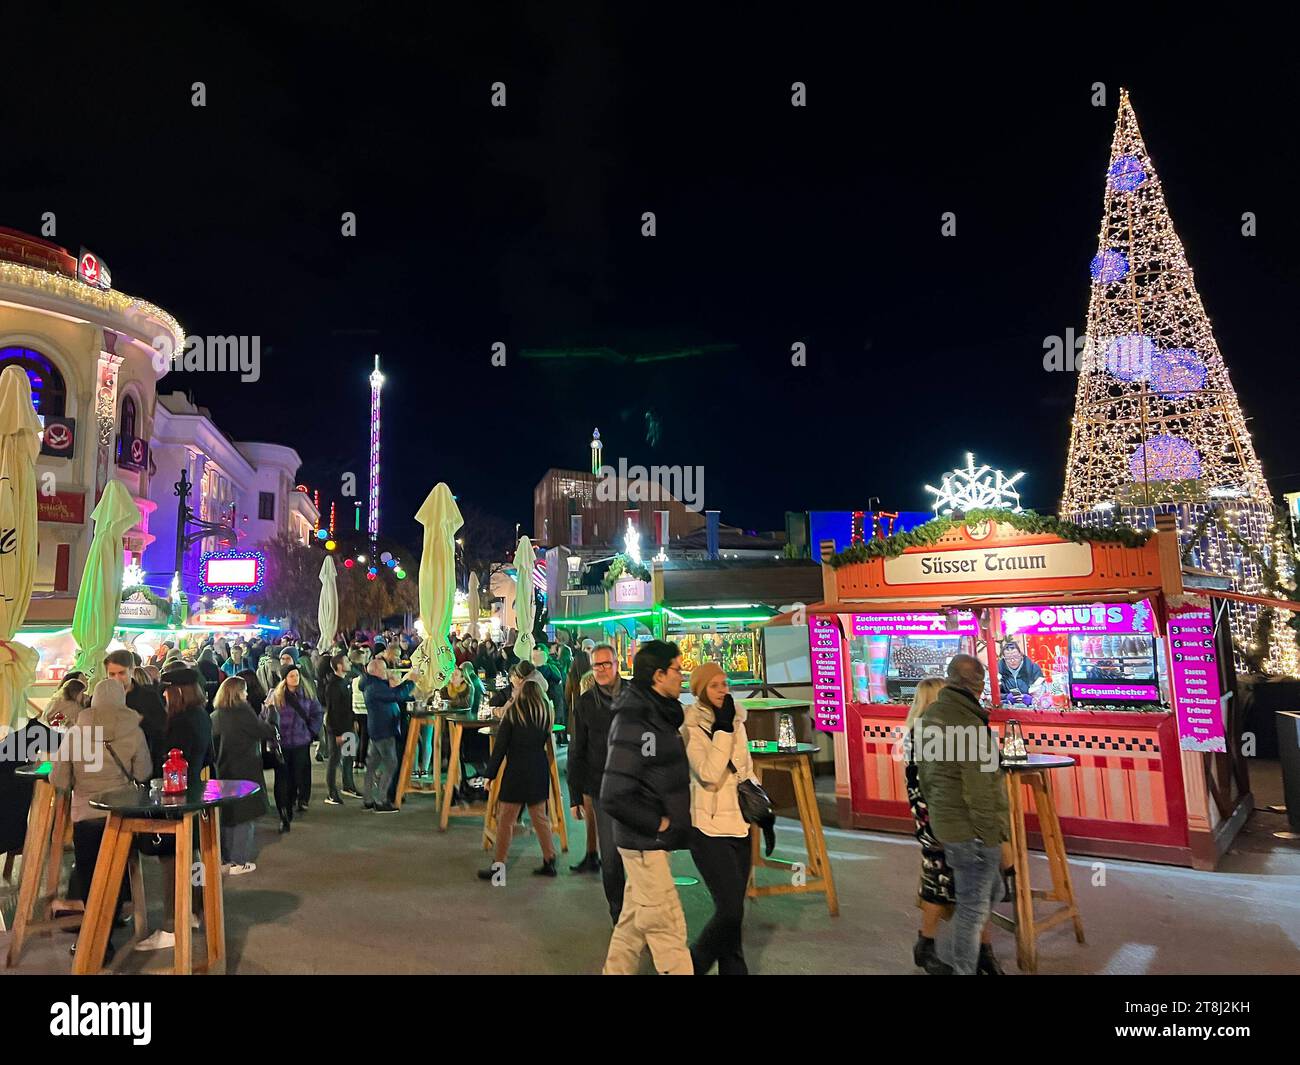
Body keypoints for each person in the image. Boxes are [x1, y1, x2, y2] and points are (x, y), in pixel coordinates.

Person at [600, 640, 693, 975]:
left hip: (648, 842)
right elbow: (613, 793)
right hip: (644, 842)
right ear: (658, 676)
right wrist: (658, 823)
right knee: (667, 926)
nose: (682, 676)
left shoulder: (655, 713)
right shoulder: (636, 718)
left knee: (632, 923)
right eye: (678, 670)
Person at [915, 654, 1009, 976]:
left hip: (948, 826)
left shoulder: (929, 719)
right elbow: (981, 790)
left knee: (990, 891)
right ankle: (965, 969)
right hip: (972, 831)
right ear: (978, 683)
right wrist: (993, 836)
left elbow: (925, 778)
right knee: (972, 907)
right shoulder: (970, 725)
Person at [50, 680, 151, 966]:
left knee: (90, 874)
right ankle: (112, 922)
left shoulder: (74, 733)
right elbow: (143, 772)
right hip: (120, 815)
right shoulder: (134, 730)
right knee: (117, 873)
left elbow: (59, 779)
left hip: (85, 814)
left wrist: (78, 784)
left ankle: (95, 938)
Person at [681, 662, 756, 975]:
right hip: (708, 829)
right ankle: (694, 963)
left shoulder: (737, 720)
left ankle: (734, 970)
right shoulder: (691, 726)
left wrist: (759, 807)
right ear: (699, 690)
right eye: (714, 685)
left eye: (725, 684)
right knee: (729, 910)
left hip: (740, 824)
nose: (723, 690)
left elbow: (746, 769)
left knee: (735, 914)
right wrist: (723, 730)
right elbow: (710, 774)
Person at [136, 664, 214, 952]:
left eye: (167, 691)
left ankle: (171, 924)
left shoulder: (180, 721)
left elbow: (169, 763)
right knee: (192, 858)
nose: (165, 696)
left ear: (177, 691)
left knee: (171, 861)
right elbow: (208, 757)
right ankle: (195, 911)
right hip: (195, 793)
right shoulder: (202, 716)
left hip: (175, 797)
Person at [477, 665, 557, 880]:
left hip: (517, 771)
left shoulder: (513, 714)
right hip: (538, 768)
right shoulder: (545, 714)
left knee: (506, 820)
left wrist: (489, 775)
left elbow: (500, 748)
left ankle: (499, 868)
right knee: (540, 818)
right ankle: (550, 859)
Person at [568, 645, 627, 913]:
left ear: (617, 663)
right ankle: (618, 913)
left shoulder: (634, 696)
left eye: (606, 664)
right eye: (597, 665)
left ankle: (639, 914)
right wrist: (574, 796)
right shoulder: (586, 703)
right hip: (602, 788)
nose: (602, 670)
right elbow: (576, 750)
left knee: (638, 857)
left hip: (635, 787)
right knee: (612, 858)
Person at [211, 676, 277, 874]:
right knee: (244, 817)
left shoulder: (215, 715)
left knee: (227, 816)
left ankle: (225, 859)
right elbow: (265, 731)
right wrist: (271, 711)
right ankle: (239, 862)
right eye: (244, 690)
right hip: (245, 770)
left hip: (223, 771)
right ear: (238, 693)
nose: (247, 694)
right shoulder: (244, 713)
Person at [267, 662, 324, 828]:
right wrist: (272, 739)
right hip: (281, 744)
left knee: (295, 777)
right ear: (284, 679)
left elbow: (317, 714)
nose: (295, 678)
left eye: (297, 675)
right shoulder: (275, 696)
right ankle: (284, 812)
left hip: (300, 742)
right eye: (291, 675)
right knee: (282, 777)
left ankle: (291, 802)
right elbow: (266, 719)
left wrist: (310, 732)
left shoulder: (307, 694)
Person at [359, 657, 416, 813]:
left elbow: (392, 692)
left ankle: (368, 799)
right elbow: (396, 695)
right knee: (391, 764)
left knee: (371, 766)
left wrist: (393, 682)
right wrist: (410, 681)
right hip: (384, 730)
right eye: (384, 669)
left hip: (377, 729)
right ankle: (381, 800)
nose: (387, 672)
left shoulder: (372, 684)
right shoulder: (374, 687)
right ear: (377, 671)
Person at [104, 649, 167, 777]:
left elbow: (163, 729)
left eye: (121, 673)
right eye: (112, 674)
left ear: (132, 670)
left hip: (144, 765)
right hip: (111, 769)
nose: (117, 678)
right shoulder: (100, 698)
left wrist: (142, 721)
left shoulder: (149, 697)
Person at [322, 653, 360, 803]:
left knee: (349, 756)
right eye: (346, 661)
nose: (349, 663)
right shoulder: (333, 685)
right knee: (335, 759)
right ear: (339, 666)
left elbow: (348, 706)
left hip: (348, 727)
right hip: (337, 730)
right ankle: (332, 792)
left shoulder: (345, 682)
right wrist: (337, 733)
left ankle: (348, 785)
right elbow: (332, 711)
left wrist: (354, 720)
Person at [349, 650, 369, 770]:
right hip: (363, 709)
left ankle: (355, 760)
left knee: (357, 736)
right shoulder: (360, 673)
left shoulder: (351, 672)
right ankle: (360, 760)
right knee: (363, 737)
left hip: (355, 708)